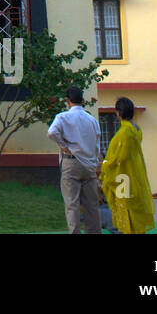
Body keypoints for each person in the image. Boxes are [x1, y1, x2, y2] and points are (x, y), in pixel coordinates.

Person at [47, 86, 102, 234]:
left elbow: (52, 132)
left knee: (72, 203)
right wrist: (95, 162)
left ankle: (75, 232)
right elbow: (97, 144)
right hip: (89, 164)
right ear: (82, 101)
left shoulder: (63, 117)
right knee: (92, 204)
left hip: (71, 162)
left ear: (68, 101)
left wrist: (63, 145)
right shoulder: (92, 120)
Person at [99, 97, 155, 234]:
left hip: (123, 178)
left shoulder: (124, 133)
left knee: (126, 213)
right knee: (134, 213)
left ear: (118, 113)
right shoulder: (136, 129)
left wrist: (103, 166)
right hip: (134, 175)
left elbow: (118, 158)